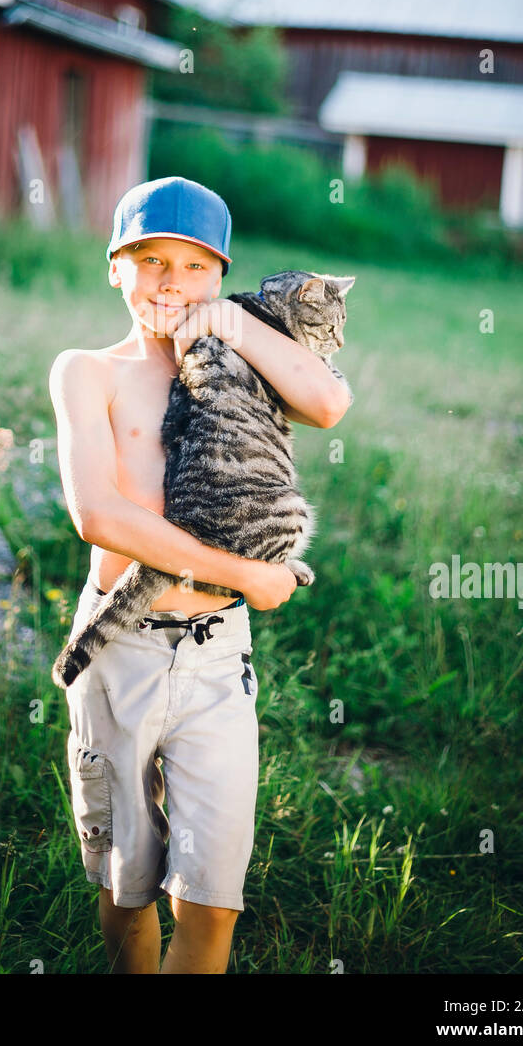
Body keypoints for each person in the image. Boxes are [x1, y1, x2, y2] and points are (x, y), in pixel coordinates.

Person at [48, 175, 351, 973]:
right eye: (149, 261)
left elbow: (327, 403)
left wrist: (237, 330)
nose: (170, 283)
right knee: (126, 888)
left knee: (211, 898)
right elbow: (101, 518)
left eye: (193, 267)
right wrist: (244, 573)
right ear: (116, 267)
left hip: (217, 655)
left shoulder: (246, 360)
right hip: (120, 654)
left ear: (221, 276)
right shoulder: (88, 371)